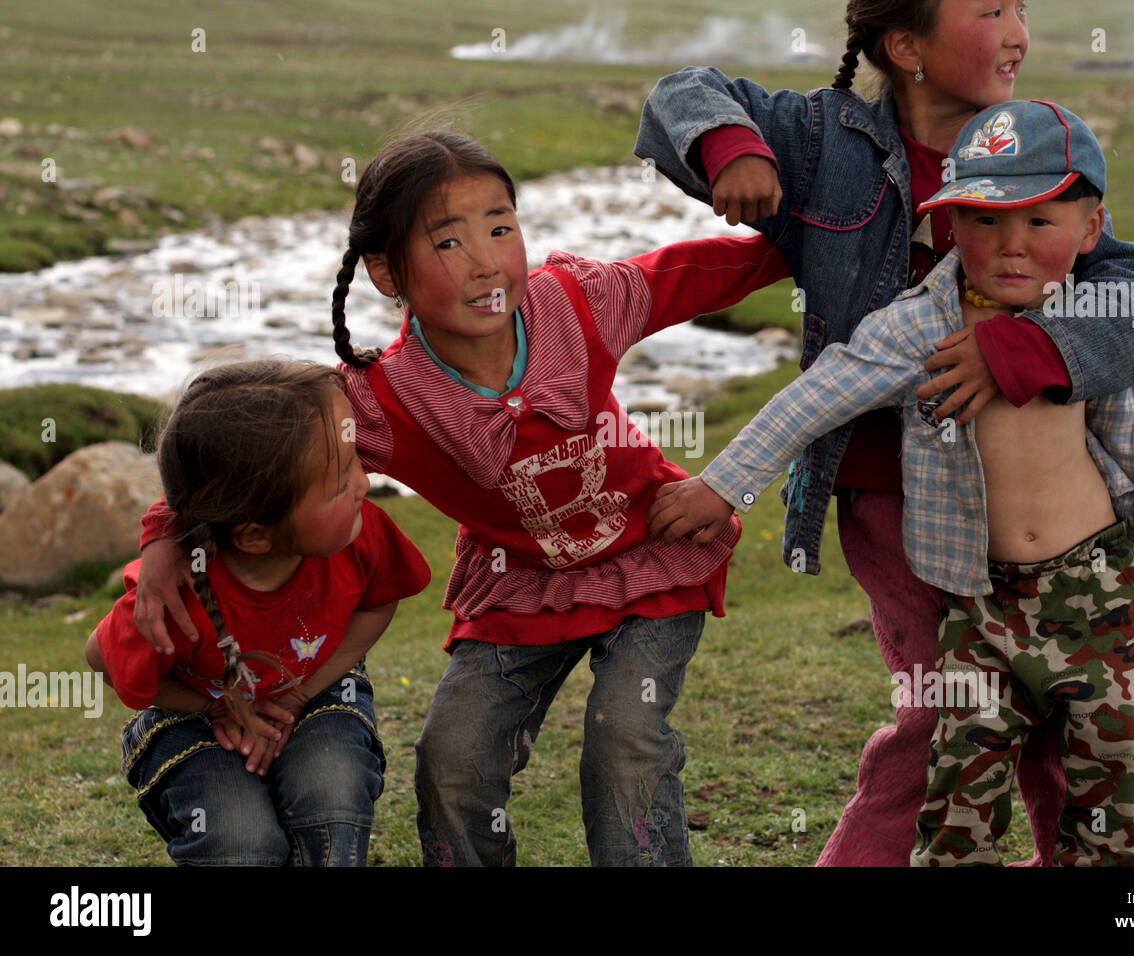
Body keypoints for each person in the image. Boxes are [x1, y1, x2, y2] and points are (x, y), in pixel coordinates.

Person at [635, 0, 1134, 865]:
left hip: (1066, 557)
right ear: (905, 46)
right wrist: (730, 147)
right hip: (915, 515)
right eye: (990, 6)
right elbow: (683, 92)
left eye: (1022, 8)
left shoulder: (1048, 171)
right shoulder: (825, 144)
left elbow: (1124, 386)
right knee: (941, 723)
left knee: (1055, 736)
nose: (1016, 27)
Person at [129, 130, 792, 866]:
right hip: (520, 590)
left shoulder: (578, 306)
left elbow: (694, 274)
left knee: (623, 741)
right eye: (448, 243)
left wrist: (813, 242)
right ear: (387, 273)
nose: (486, 260)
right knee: (451, 760)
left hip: (652, 558)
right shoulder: (379, 399)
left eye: (501, 227)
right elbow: (246, 447)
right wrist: (164, 535)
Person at [86, 360, 432, 866]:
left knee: (331, 794)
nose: (363, 484)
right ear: (252, 535)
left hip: (315, 690)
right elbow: (102, 659)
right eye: (339, 484)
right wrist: (217, 708)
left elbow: (381, 600)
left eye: (356, 459)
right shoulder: (176, 592)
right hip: (194, 718)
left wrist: (300, 694)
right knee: (239, 838)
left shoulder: (361, 537)